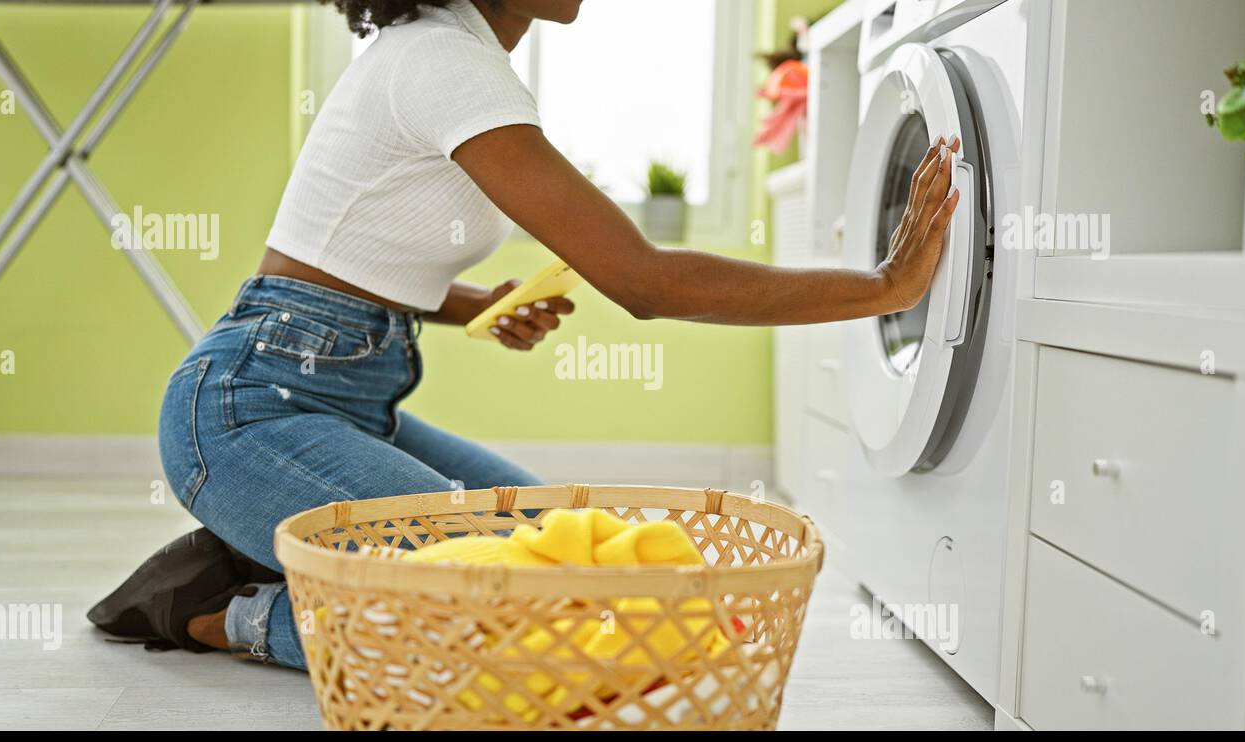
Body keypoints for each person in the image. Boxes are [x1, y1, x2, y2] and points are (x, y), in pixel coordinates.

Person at [88, 0, 961, 669]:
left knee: (567, 546)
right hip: (244, 412)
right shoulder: (441, 61)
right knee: (515, 603)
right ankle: (231, 610)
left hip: (348, 404)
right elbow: (643, 281)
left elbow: (344, 250)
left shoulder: (453, 58)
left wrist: (475, 305)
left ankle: (305, 551)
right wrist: (886, 285)